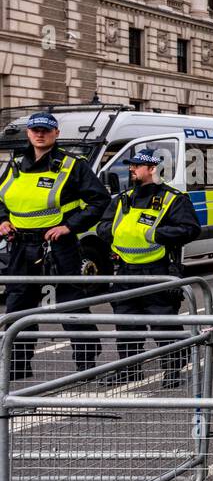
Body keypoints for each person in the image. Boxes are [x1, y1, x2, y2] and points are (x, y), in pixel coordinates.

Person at [0, 111, 109, 379]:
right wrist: (2, 220)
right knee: (18, 306)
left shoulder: (72, 165)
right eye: (35, 129)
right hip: (21, 246)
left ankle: (86, 365)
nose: (40, 134)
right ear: (28, 133)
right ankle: (17, 366)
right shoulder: (15, 164)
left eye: (46, 130)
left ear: (56, 134)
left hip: (58, 246)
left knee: (70, 304)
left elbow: (99, 201)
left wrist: (69, 227)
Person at [94, 148, 200, 388]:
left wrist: (156, 234)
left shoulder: (173, 198)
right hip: (126, 271)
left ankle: (172, 371)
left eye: (137, 166)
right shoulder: (124, 198)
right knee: (126, 323)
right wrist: (117, 232)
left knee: (163, 324)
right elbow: (103, 226)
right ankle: (129, 370)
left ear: (152, 169)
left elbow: (190, 229)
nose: (132, 169)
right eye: (131, 165)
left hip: (157, 269)